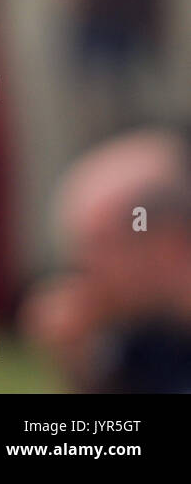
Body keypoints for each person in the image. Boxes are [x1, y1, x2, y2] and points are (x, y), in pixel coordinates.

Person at [21, 127, 191, 392]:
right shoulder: (141, 342)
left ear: (169, 245)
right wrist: (77, 361)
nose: (80, 270)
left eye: (99, 246)